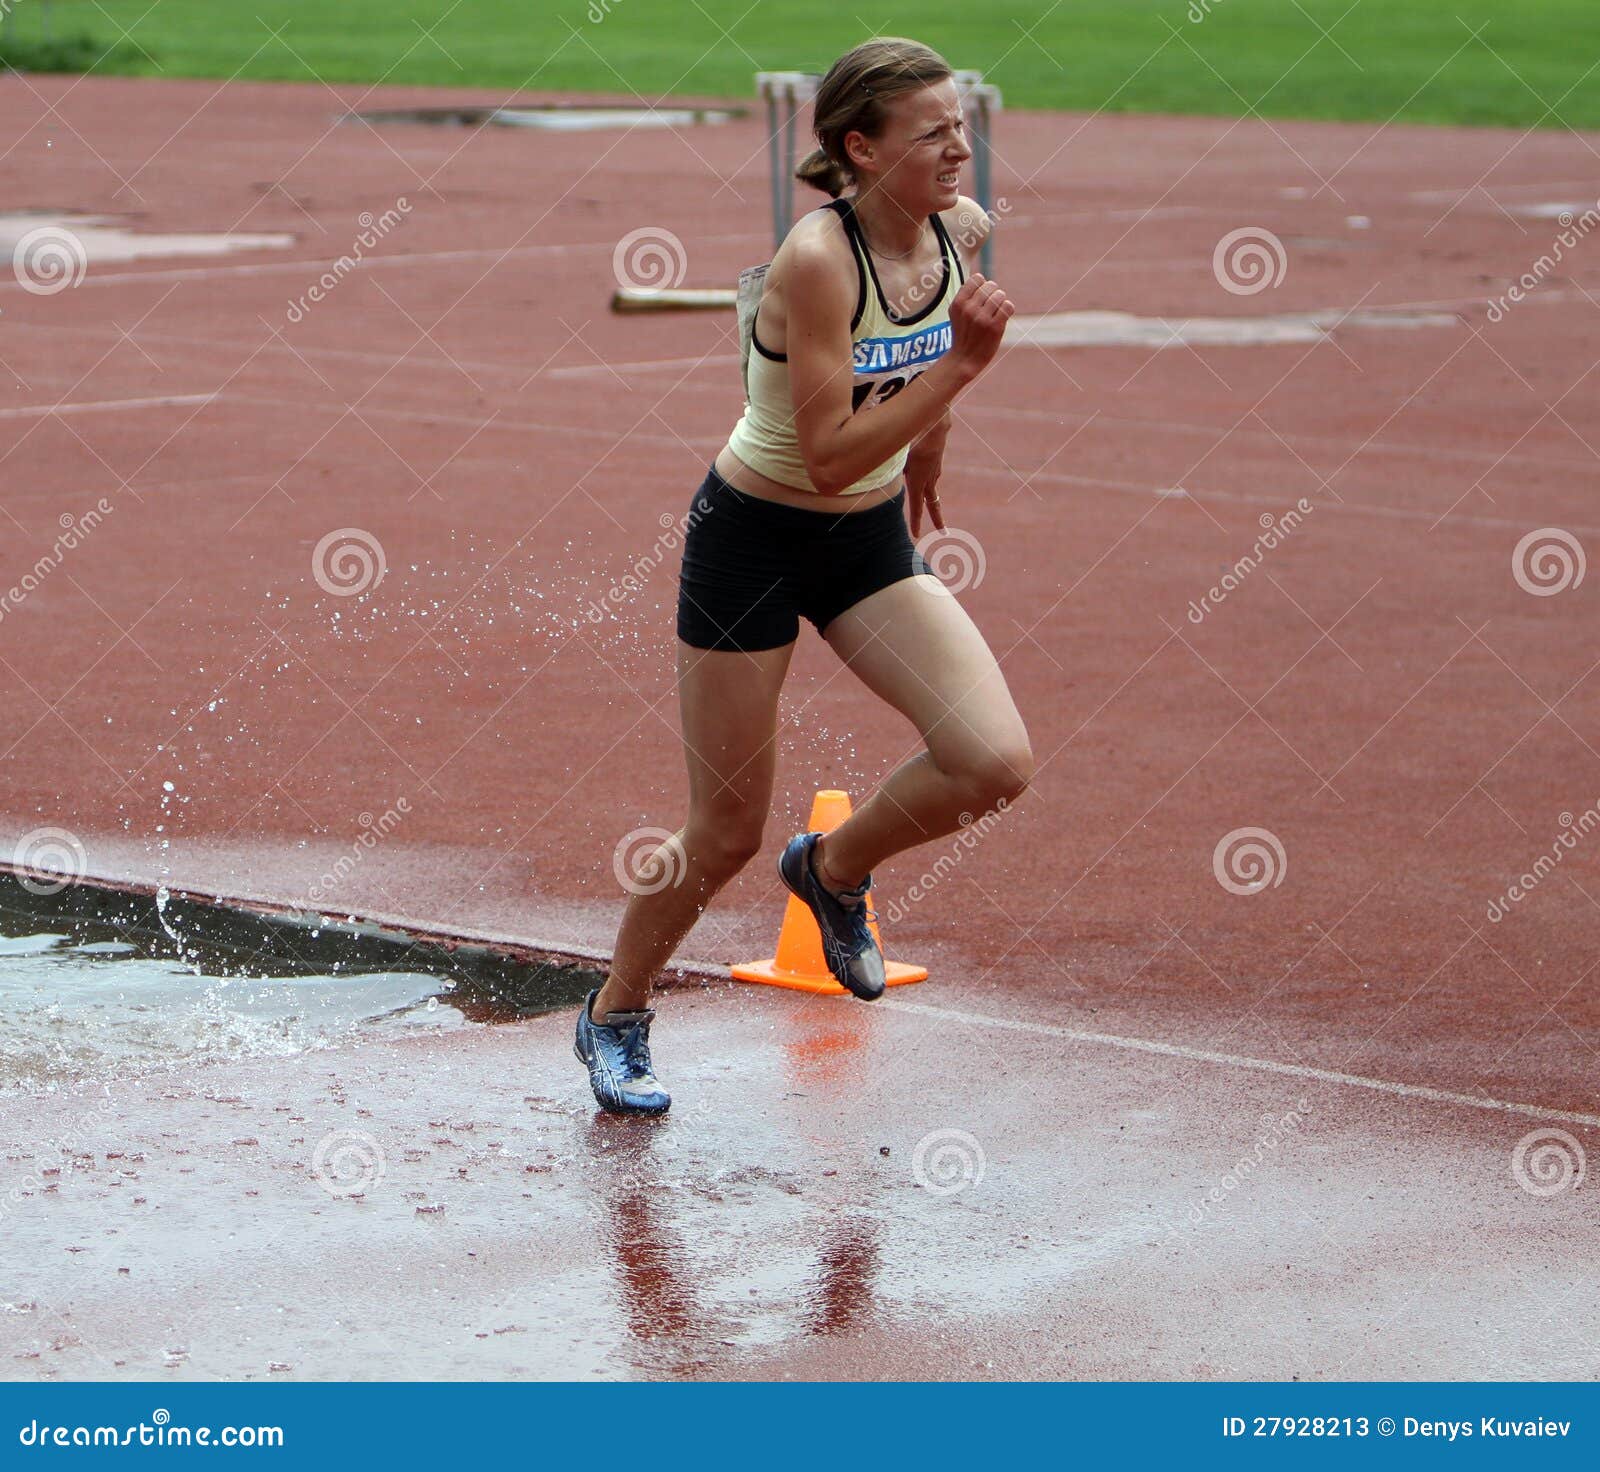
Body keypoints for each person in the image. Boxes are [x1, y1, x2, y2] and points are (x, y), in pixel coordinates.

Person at [576, 35, 1034, 1115]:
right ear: (859, 149)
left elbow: (914, 361)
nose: (958, 148)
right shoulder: (818, 259)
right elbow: (825, 448)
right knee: (723, 828)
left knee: (992, 760)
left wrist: (932, 439)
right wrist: (963, 366)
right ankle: (615, 1011)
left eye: (960, 124)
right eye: (932, 133)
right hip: (752, 537)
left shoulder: (960, 231)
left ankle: (829, 870)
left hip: (864, 540)